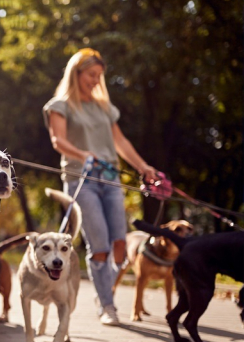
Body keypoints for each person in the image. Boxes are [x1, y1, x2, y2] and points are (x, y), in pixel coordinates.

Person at [43, 48, 158, 326]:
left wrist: (143, 167)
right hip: (81, 180)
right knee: (101, 244)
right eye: (91, 75)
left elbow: (121, 142)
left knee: (120, 242)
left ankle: (103, 291)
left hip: (111, 180)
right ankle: (107, 304)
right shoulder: (60, 105)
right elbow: (58, 141)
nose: (95, 80)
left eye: (99, 76)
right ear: (77, 73)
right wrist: (84, 155)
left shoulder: (104, 107)